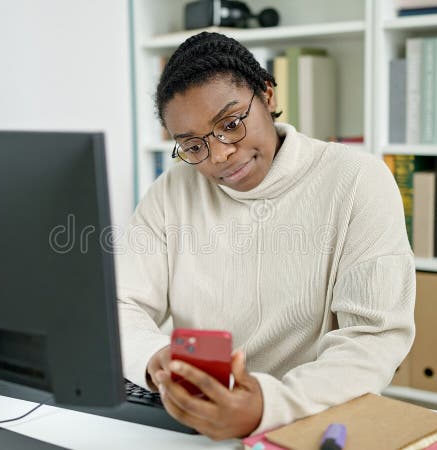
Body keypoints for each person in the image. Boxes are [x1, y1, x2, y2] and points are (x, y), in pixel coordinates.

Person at [116, 31, 415, 440]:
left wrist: (265, 406)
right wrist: (153, 357)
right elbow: (121, 304)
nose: (219, 154)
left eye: (231, 123)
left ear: (268, 96)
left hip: (308, 423)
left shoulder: (356, 180)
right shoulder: (174, 189)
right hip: (198, 424)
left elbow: (373, 340)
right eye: (193, 146)